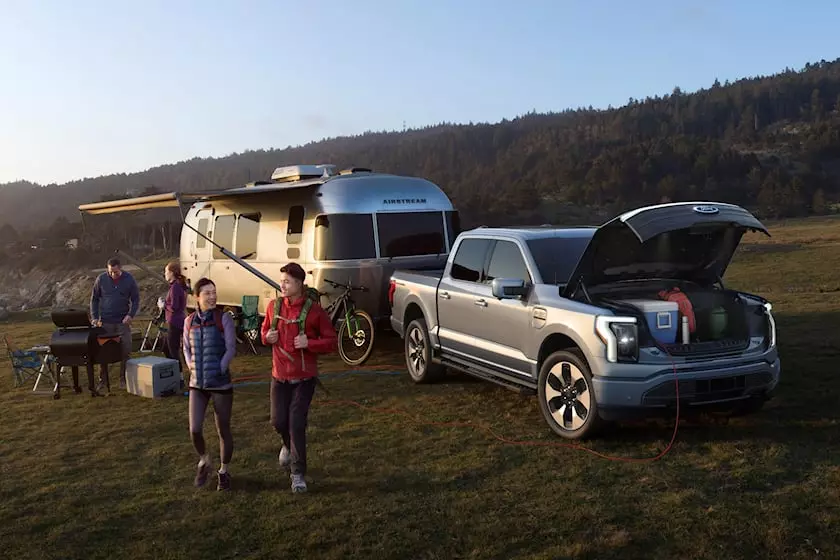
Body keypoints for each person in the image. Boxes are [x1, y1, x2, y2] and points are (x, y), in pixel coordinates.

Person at [261, 262, 337, 493]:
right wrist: (267, 337)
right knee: (277, 421)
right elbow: (264, 334)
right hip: (279, 376)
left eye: (287, 281)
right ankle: (286, 445)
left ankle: (297, 474)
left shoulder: (314, 311)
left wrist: (310, 343)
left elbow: (331, 342)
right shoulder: (273, 307)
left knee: (296, 423)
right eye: (281, 280)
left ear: (300, 284)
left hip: (304, 379)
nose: (282, 285)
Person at [182, 277, 237, 491]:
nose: (212, 296)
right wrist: (191, 366)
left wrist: (221, 368)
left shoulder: (224, 319)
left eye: (214, 292)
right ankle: (204, 460)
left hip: (221, 385)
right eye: (207, 293)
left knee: (223, 429)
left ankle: (224, 471)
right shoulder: (189, 321)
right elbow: (186, 347)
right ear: (197, 297)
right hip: (197, 384)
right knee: (194, 429)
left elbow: (231, 348)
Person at [90, 257, 139, 391]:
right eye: (110, 272)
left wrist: (131, 315)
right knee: (103, 352)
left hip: (122, 321)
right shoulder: (101, 279)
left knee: (126, 350)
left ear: (120, 269)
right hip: (105, 321)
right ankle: (103, 381)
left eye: (115, 272)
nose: (113, 274)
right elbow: (94, 299)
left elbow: (135, 299)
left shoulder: (129, 279)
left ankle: (124, 379)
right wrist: (94, 317)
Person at [163, 261, 188, 379]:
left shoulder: (175, 287)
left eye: (166, 271)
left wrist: (162, 305)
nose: (165, 274)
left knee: (173, 350)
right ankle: (173, 372)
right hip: (175, 321)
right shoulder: (176, 285)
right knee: (166, 347)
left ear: (172, 273)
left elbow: (174, 307)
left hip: (175, 322)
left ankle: (179, 376)